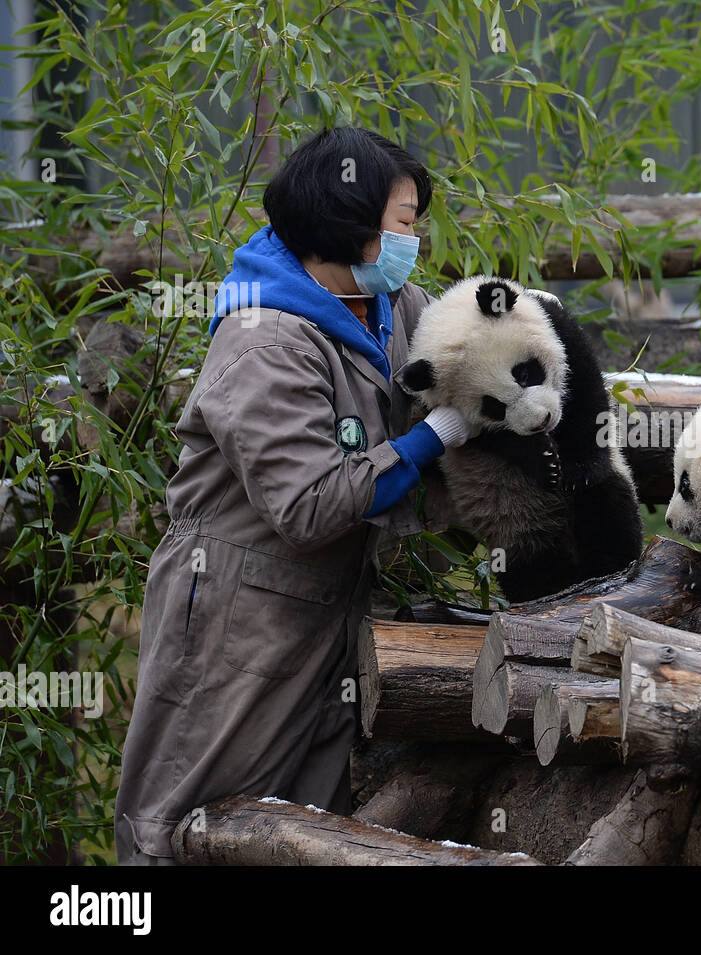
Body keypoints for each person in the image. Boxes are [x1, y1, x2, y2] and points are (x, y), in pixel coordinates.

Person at [114, 127, 468, 864]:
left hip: (328, 612)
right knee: (186, 821)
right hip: (235, 614)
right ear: (353, 225)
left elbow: (460, 348)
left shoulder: (388, 304)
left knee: (302, 828)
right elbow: (309, 505)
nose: (416, 240)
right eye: (405, 222)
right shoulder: (264, 338)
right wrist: (437, 434)